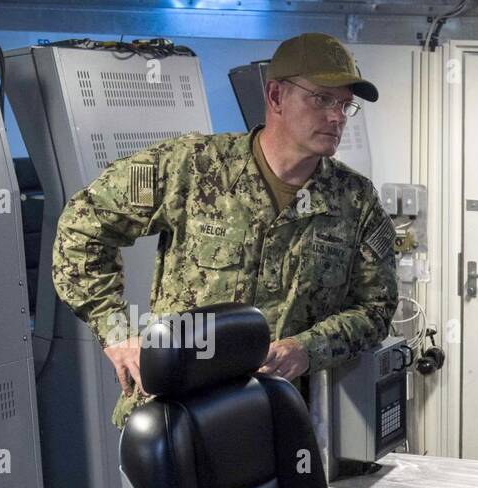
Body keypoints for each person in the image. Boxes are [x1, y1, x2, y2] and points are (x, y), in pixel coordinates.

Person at [52, 32, 397, 427]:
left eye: (344, 105)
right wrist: (116, 331)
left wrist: (307, 349)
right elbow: (82, 227)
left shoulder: (354, 200)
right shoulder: (190, 166)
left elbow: (376, 309)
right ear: (276, 97)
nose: (336, 117)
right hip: (180, 416)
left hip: (285, 419)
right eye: (321, 99)